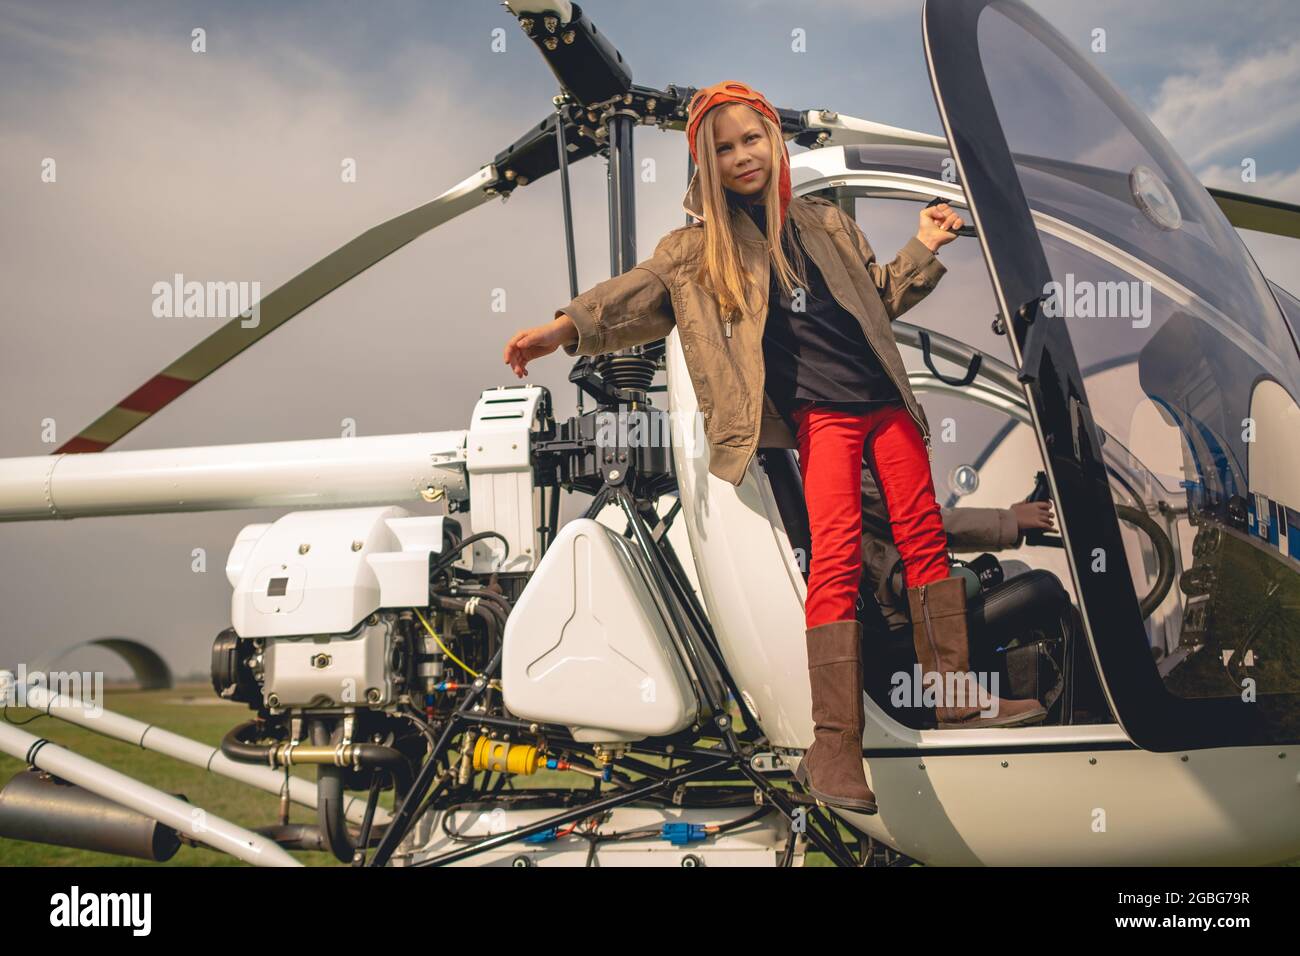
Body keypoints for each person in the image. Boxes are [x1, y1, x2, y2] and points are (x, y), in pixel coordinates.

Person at [503, 81, 1044, 815]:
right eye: (724, 149)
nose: (742, 156)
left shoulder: (825, 224)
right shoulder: (697, 250)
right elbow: (634, 294)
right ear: (708, 163)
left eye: (751, 139)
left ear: (773, 140)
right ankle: (834, 744)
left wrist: (924, 246)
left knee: (924, 545)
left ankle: (953, 698)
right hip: (825, 418)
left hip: (888, 405)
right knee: (837, 557)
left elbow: (876, 299)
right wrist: (562, 328)